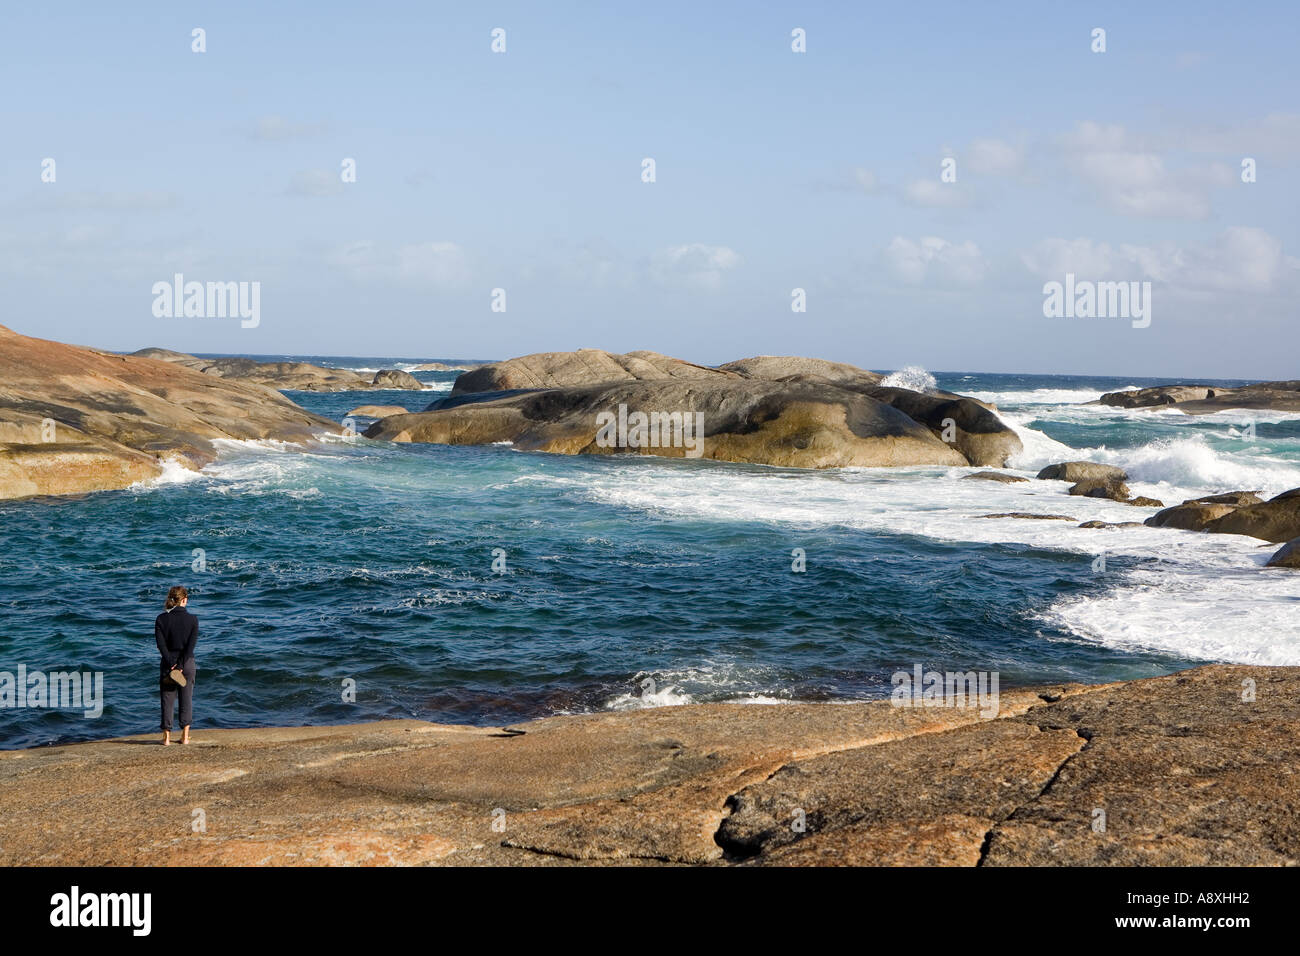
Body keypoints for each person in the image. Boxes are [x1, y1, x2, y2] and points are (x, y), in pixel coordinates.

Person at [155, 585, 198, 745]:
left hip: (168, 664)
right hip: (186, 664)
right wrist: (180, 665)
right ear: (185, 600)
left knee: (167, 699)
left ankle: (166, 737)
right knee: (186, 698)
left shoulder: (161, 619)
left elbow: (161, 646)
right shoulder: (193, 619)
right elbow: (190, 647)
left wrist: (172, 664)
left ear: (171, 600)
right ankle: (185, 736)